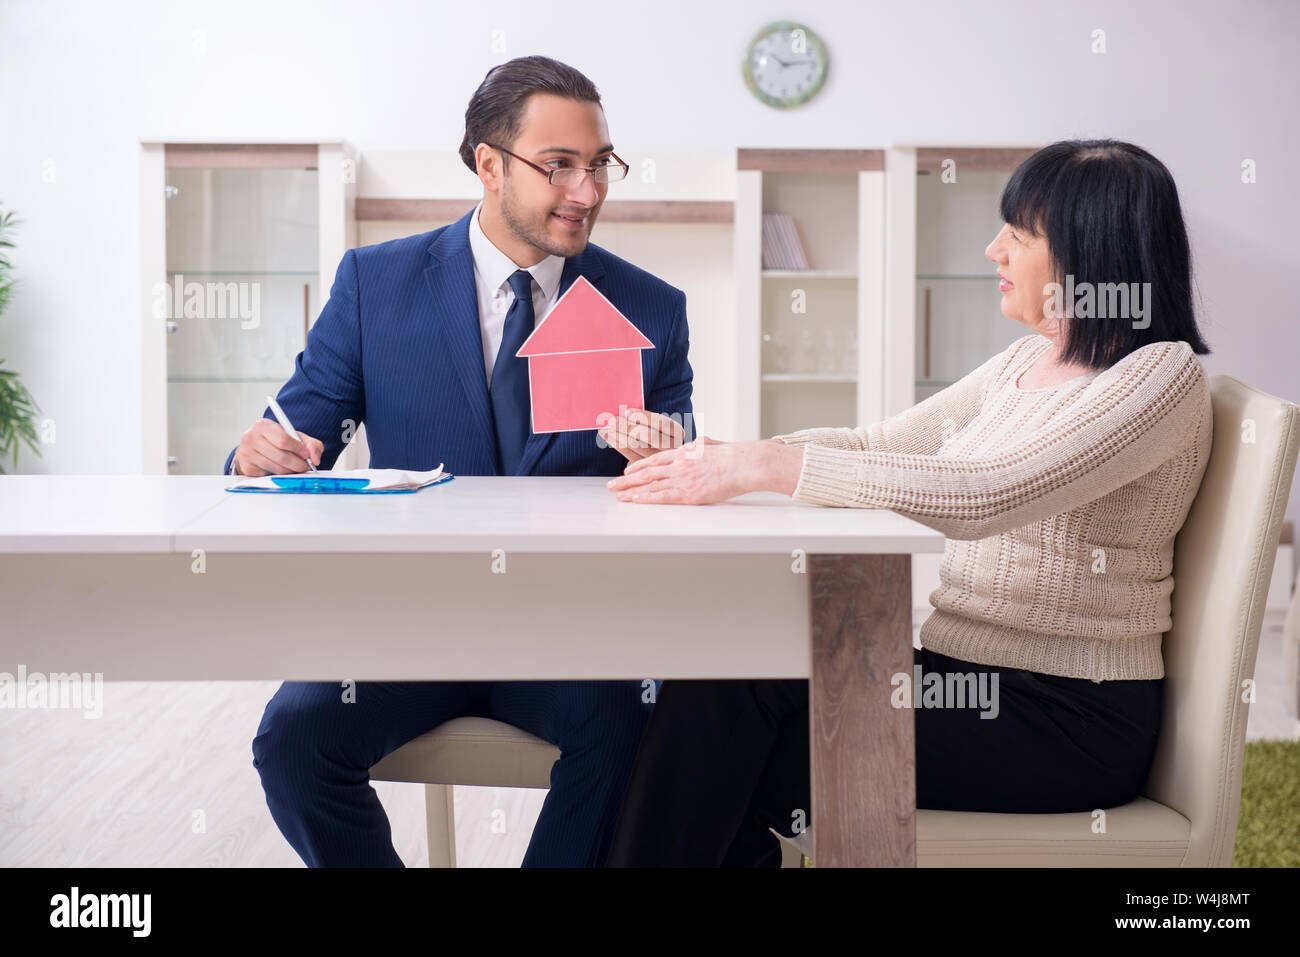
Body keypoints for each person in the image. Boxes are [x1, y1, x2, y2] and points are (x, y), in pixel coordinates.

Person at [601, 139, 1213, 867]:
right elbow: (873, 445)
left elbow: (988, 494)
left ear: (1094, 251)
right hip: (957, 674)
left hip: (1064, 715)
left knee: (726, 750)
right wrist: (716, 455)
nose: (994, 250)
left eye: (1019, 235)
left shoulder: (1159, 376)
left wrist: (764, 467)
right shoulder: (1029, 360)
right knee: (727, 682)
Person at [229, 55, 695, 867]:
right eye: (558, 166)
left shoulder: (650, 307)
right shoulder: (377, 284)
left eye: (598, 165)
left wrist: (670, 456)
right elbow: (296, 439)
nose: (586, 192)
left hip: (566, 633)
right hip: (413, 621)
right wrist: (254, 454)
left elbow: (686, 461)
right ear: (488, 163)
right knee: (294, 742)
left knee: (642, 734)